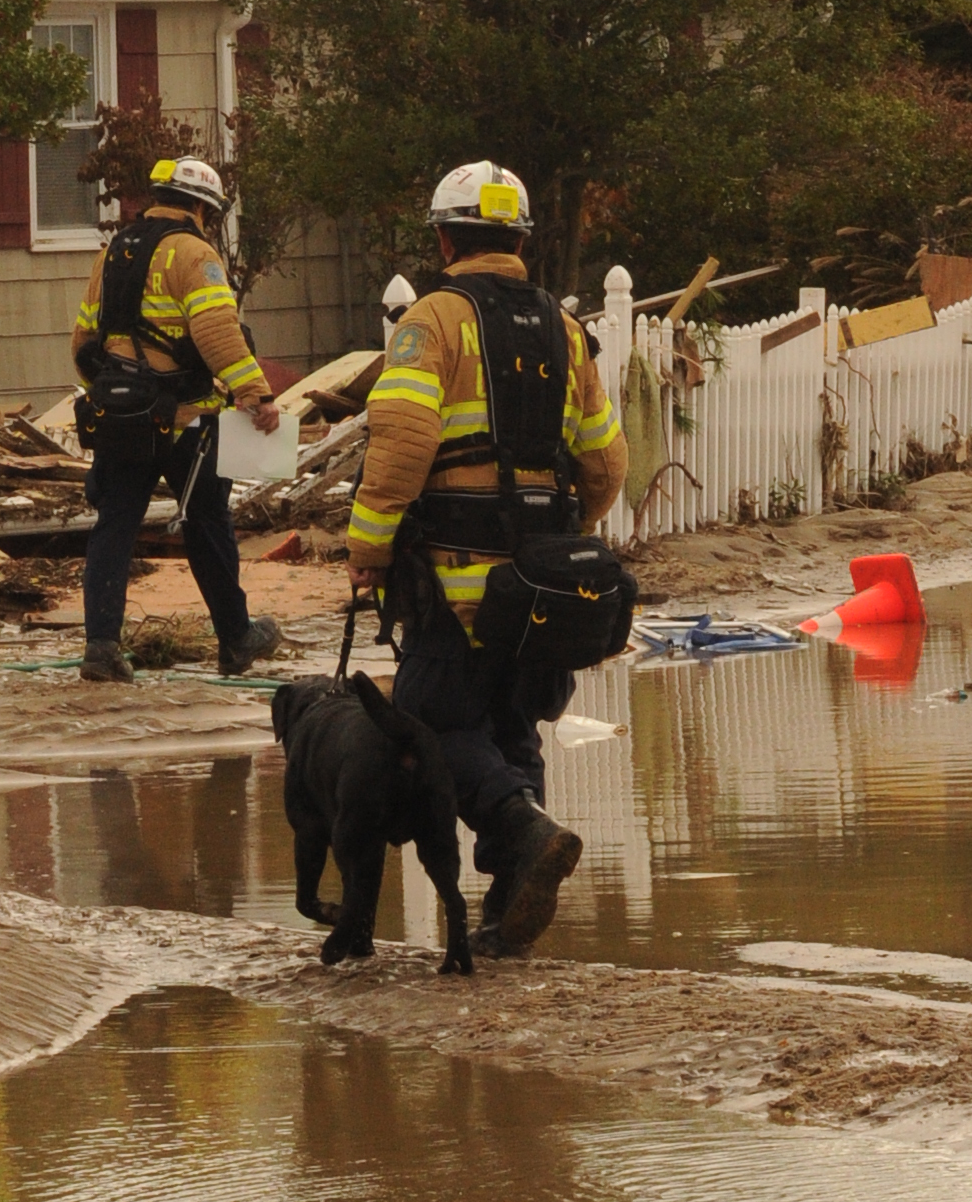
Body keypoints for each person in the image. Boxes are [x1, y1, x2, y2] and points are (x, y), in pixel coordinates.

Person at [347, 160, 625, 954]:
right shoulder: (566, 330)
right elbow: (605, 465)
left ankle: (520, 834)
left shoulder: (429, 322)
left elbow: (401, 444)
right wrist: (561, 534)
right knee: (511, 723)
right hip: (542, 582)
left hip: (455, 574)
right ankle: (510, 896)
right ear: (520, 240)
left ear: (442, 236)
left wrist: (368, 549)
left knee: (434, 717)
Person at [72, 152, 286, 682]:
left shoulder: (113, 252)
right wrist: (255, 395)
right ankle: (236, 639)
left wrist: (107, 395)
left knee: (114, 525)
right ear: (201, 207)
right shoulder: (195, 254)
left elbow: (83, 341)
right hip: (186, 419)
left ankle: (101, 647)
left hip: (121, 418)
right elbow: (217, 332)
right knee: (207, 523)